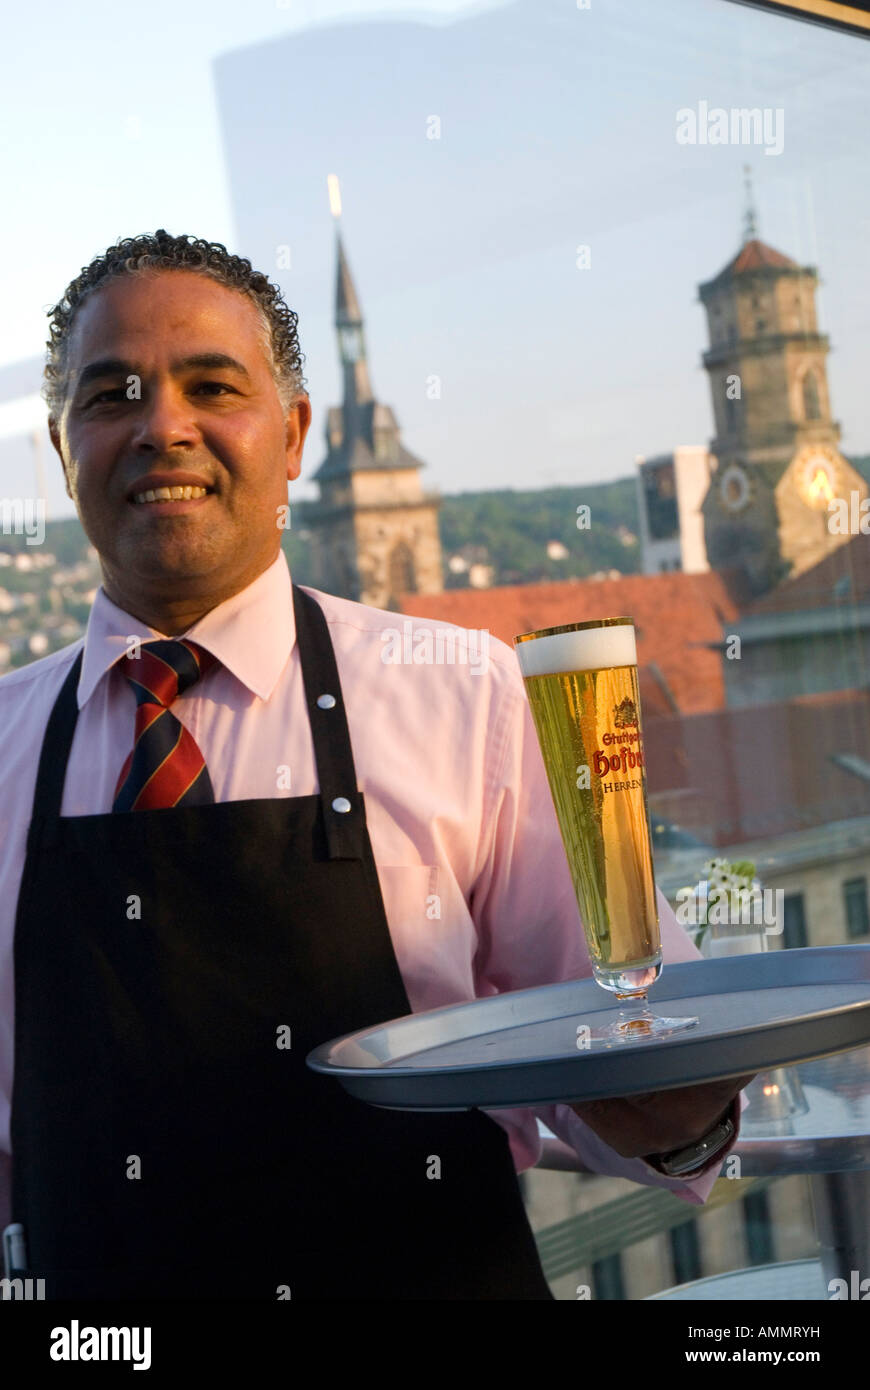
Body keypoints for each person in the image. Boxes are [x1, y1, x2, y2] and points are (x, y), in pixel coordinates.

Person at [0, 231, 751, 1300]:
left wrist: (683, 1117)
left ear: (295, 432)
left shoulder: (472, 694)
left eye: (212, 386)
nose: (164, 425)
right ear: (64, 443)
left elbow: (631, 1045)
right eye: (112, 395)